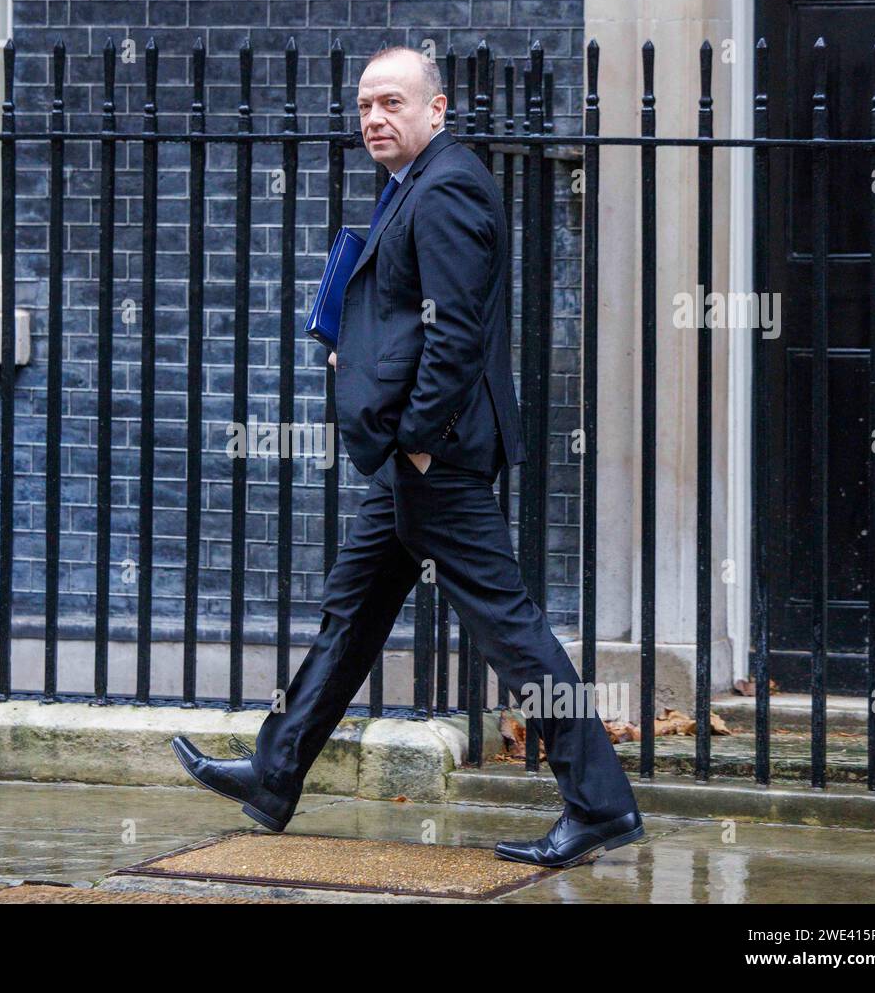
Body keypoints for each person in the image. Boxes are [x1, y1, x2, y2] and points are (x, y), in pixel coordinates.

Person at [172, 46, 642, 868]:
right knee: (351, 613)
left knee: (510, 630)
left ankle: (598, 804)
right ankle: (276, 771)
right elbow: (405, 320)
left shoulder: (450, 185)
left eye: (392, 102)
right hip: (411, 458)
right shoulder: (412, 187)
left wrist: (420, 441)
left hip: (438, 456)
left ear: (437, 108)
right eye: (363, 106)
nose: (374, 119)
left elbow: (454, 336)